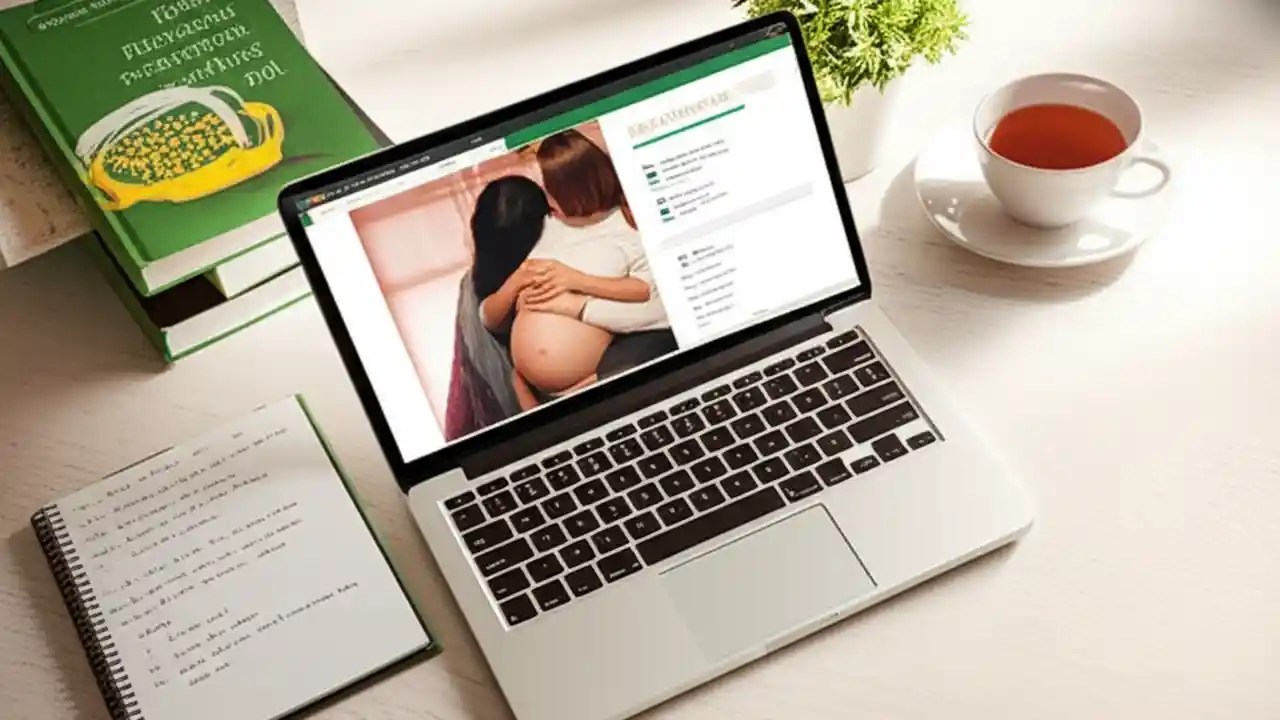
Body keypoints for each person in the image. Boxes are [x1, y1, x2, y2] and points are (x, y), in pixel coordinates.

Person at [470, 171, 657, 411]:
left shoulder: (624, 243)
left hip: (585, 380)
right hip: (551, 385)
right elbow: (489, 319)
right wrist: (516, 281)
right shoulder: (538, 244)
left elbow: (649, 308)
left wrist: (597, 379)